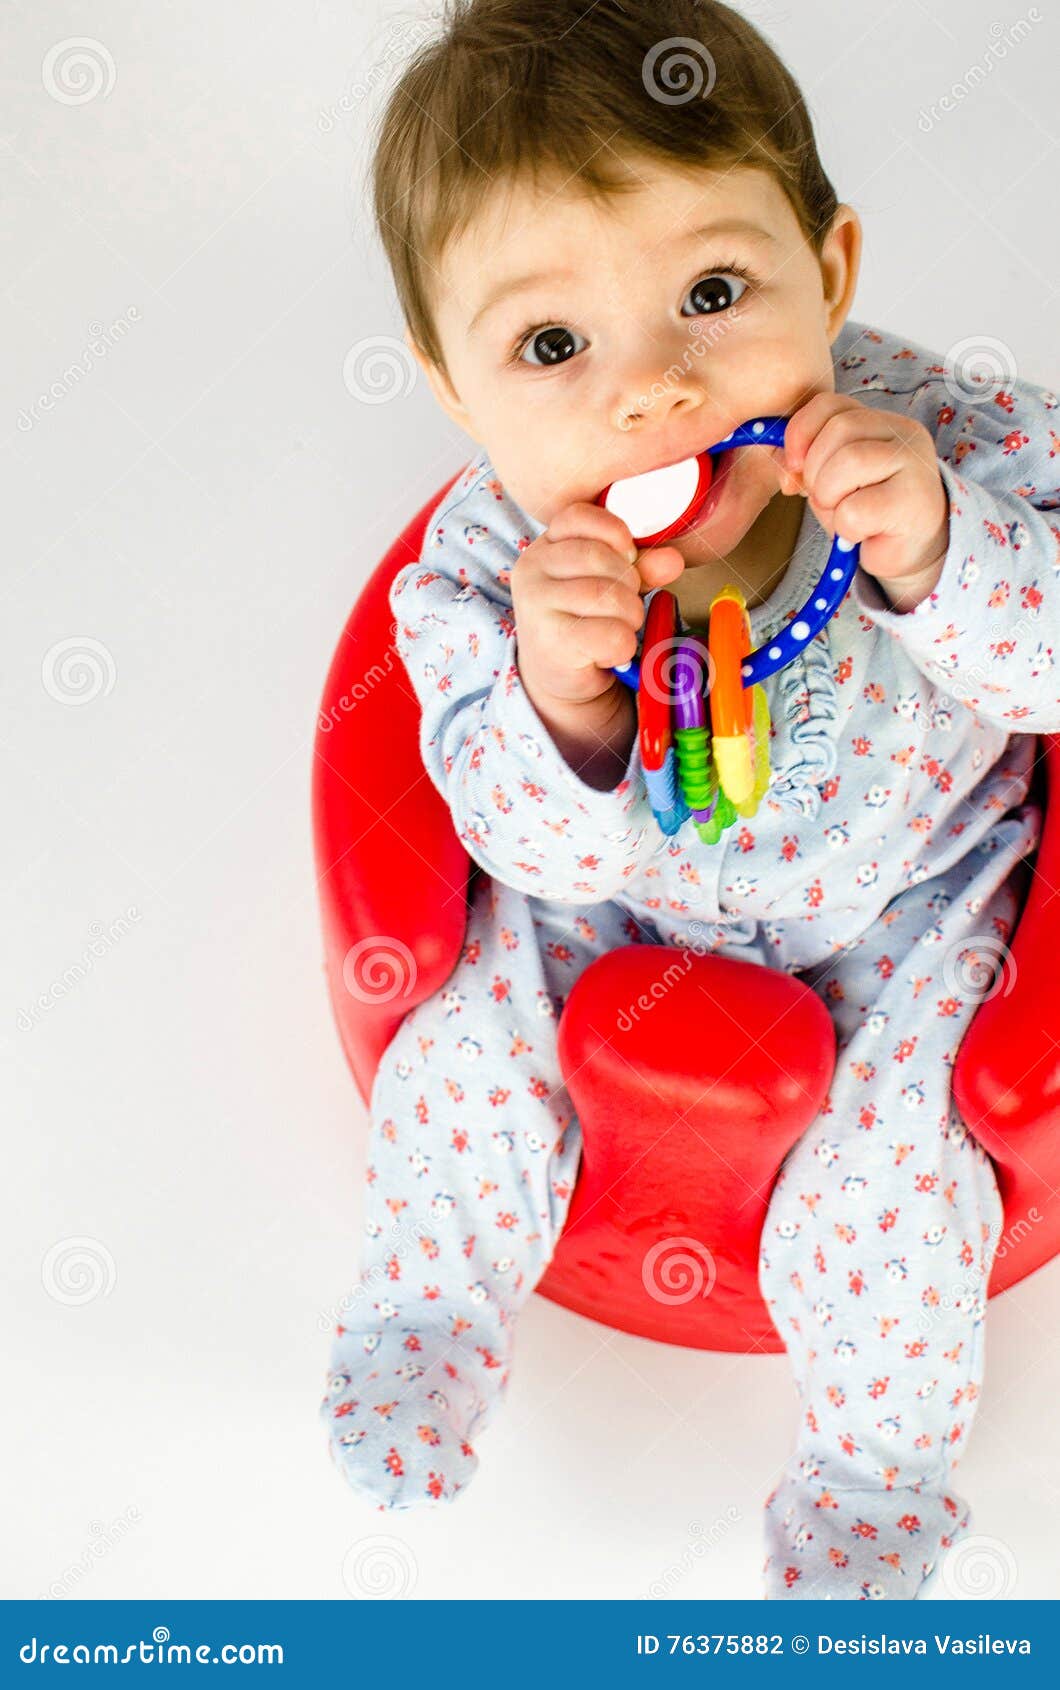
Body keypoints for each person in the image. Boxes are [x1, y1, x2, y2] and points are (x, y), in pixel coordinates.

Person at [320, 0, 1059, 1598]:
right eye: (552, 347)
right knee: (460, 1055)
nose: (653, 390)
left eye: (713, 294)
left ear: (833, 273)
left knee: (894, 1197)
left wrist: (944, 551)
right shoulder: (482, 570)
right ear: (457, 389)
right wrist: (558, 697)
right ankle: (431, 1310)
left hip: (910, 911)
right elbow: (491, 826)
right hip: (609, 908)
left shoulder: (963, 442)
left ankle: (876, 1470)